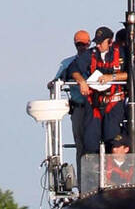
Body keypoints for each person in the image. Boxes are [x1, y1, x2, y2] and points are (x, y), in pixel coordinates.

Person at [71, 26, 127, 155]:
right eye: (96, 42)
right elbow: (73, 68)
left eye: (101, 42)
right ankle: (93, 172)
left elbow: (131, 74)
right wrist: (81, 81)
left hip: (113, 103)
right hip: (95, 103)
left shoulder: (122, 53)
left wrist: (111, 77)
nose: (98, 45)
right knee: (90, 142)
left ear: (110, 41)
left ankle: (111, 173)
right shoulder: (91, 54)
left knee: (112, 141)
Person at [53, 29, 92, 166]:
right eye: (79, 45)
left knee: (97, 144)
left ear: (89, 44)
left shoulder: (96, 61)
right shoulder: (67, 63)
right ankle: (83, 182)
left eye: (84, 45)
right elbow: (55, 82)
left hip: (96, 108)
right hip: (79, 108)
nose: (82, 48)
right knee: (80, 145)